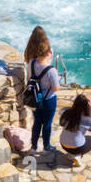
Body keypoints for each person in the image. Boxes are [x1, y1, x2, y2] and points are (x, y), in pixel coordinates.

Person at [24, 25, 60, 155]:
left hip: (35, 99)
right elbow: (56, 87)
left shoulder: (32, 62)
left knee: (36, 123)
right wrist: (58, 78)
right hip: (49, 100)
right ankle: (46, 146)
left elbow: (30, 78)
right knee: (47, 124)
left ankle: (33, 146)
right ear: (49, 53)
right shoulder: (52, 71)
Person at [59, 94, 91, 169]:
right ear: (86, 106)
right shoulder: (86, 119)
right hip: (77, 148)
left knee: (77, 138)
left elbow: (61, 124)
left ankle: (71, 154)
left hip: (63, 144)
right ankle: (78, 156)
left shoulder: (66, 112)